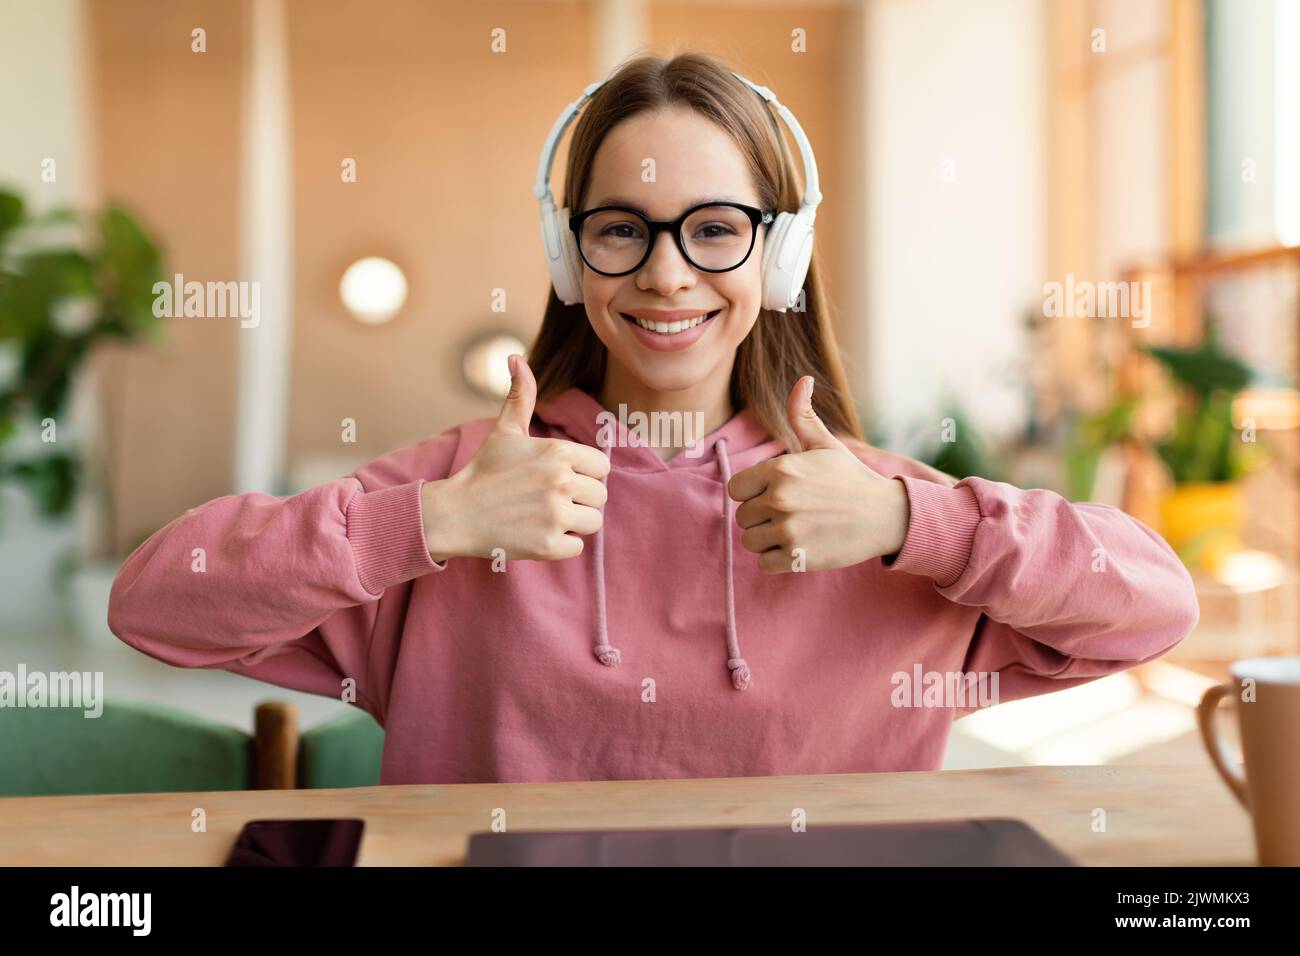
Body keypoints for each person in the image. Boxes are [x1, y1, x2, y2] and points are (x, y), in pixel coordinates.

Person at [108, 51, 1199, 784]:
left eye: (715, 228)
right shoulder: (465, 492)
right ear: (567, 254)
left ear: (778, 255)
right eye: (621, 229)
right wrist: (429, 522)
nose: (667, 275)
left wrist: (924, 526)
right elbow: (156, 602)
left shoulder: (872, 508)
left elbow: (1153, 608)